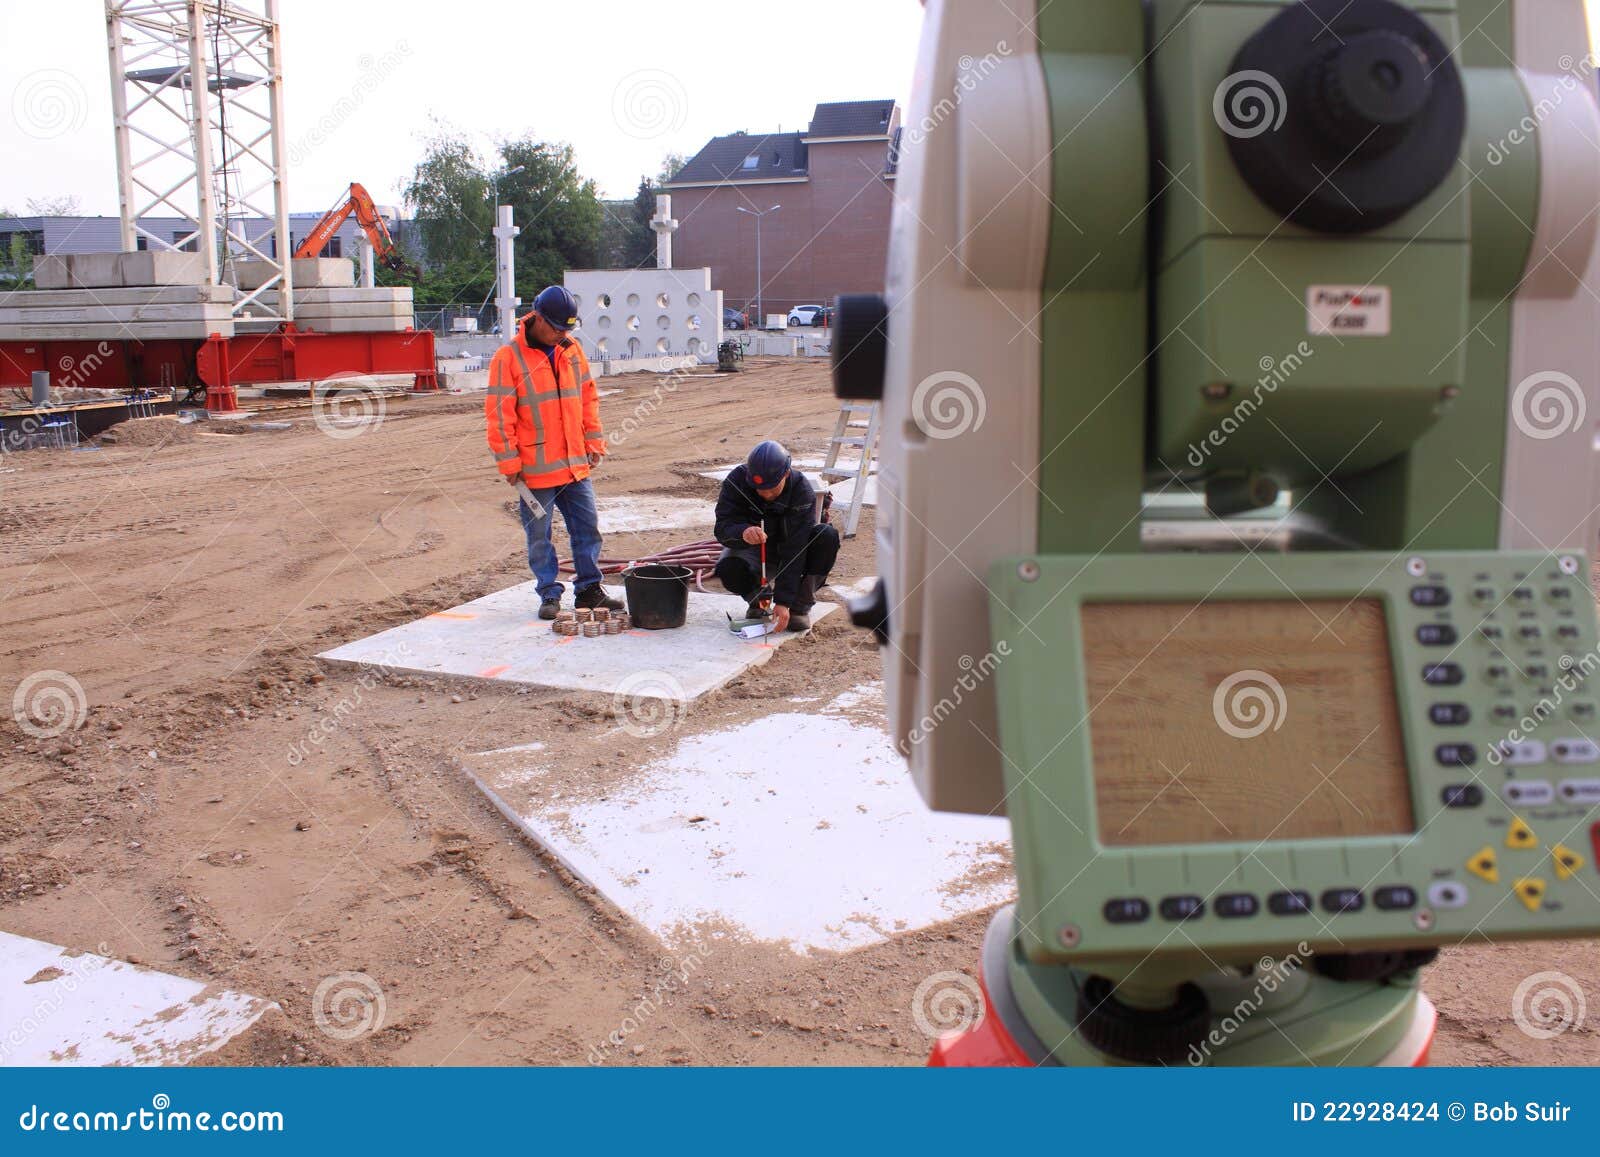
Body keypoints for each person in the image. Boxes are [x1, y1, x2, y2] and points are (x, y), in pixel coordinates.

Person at [485, 285, 624, 620]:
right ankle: (549, 593)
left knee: (587, 528)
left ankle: (589, 589)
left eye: (567, 329)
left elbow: (587, 400)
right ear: (537, 318)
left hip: (575, 464)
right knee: (539, 535)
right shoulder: (509, 358)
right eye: (557, 328)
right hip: (535, 469)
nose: (561, 334)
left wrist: (594, 442)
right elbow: (499, 415)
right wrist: (509, 463)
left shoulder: (571, 349)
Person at [713, 440, 840, 631]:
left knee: (826, 536)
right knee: (728, 567)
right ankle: (759, 601)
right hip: (755, 551)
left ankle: (799, 606)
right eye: (760, 489)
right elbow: (723, 526)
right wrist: (742, 532)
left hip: (791, 550)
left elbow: (796, 549)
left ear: (786, 474)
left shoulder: (801, 490)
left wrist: (784, 601)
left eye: (772, 487)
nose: (766, 494)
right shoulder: (736, 481)